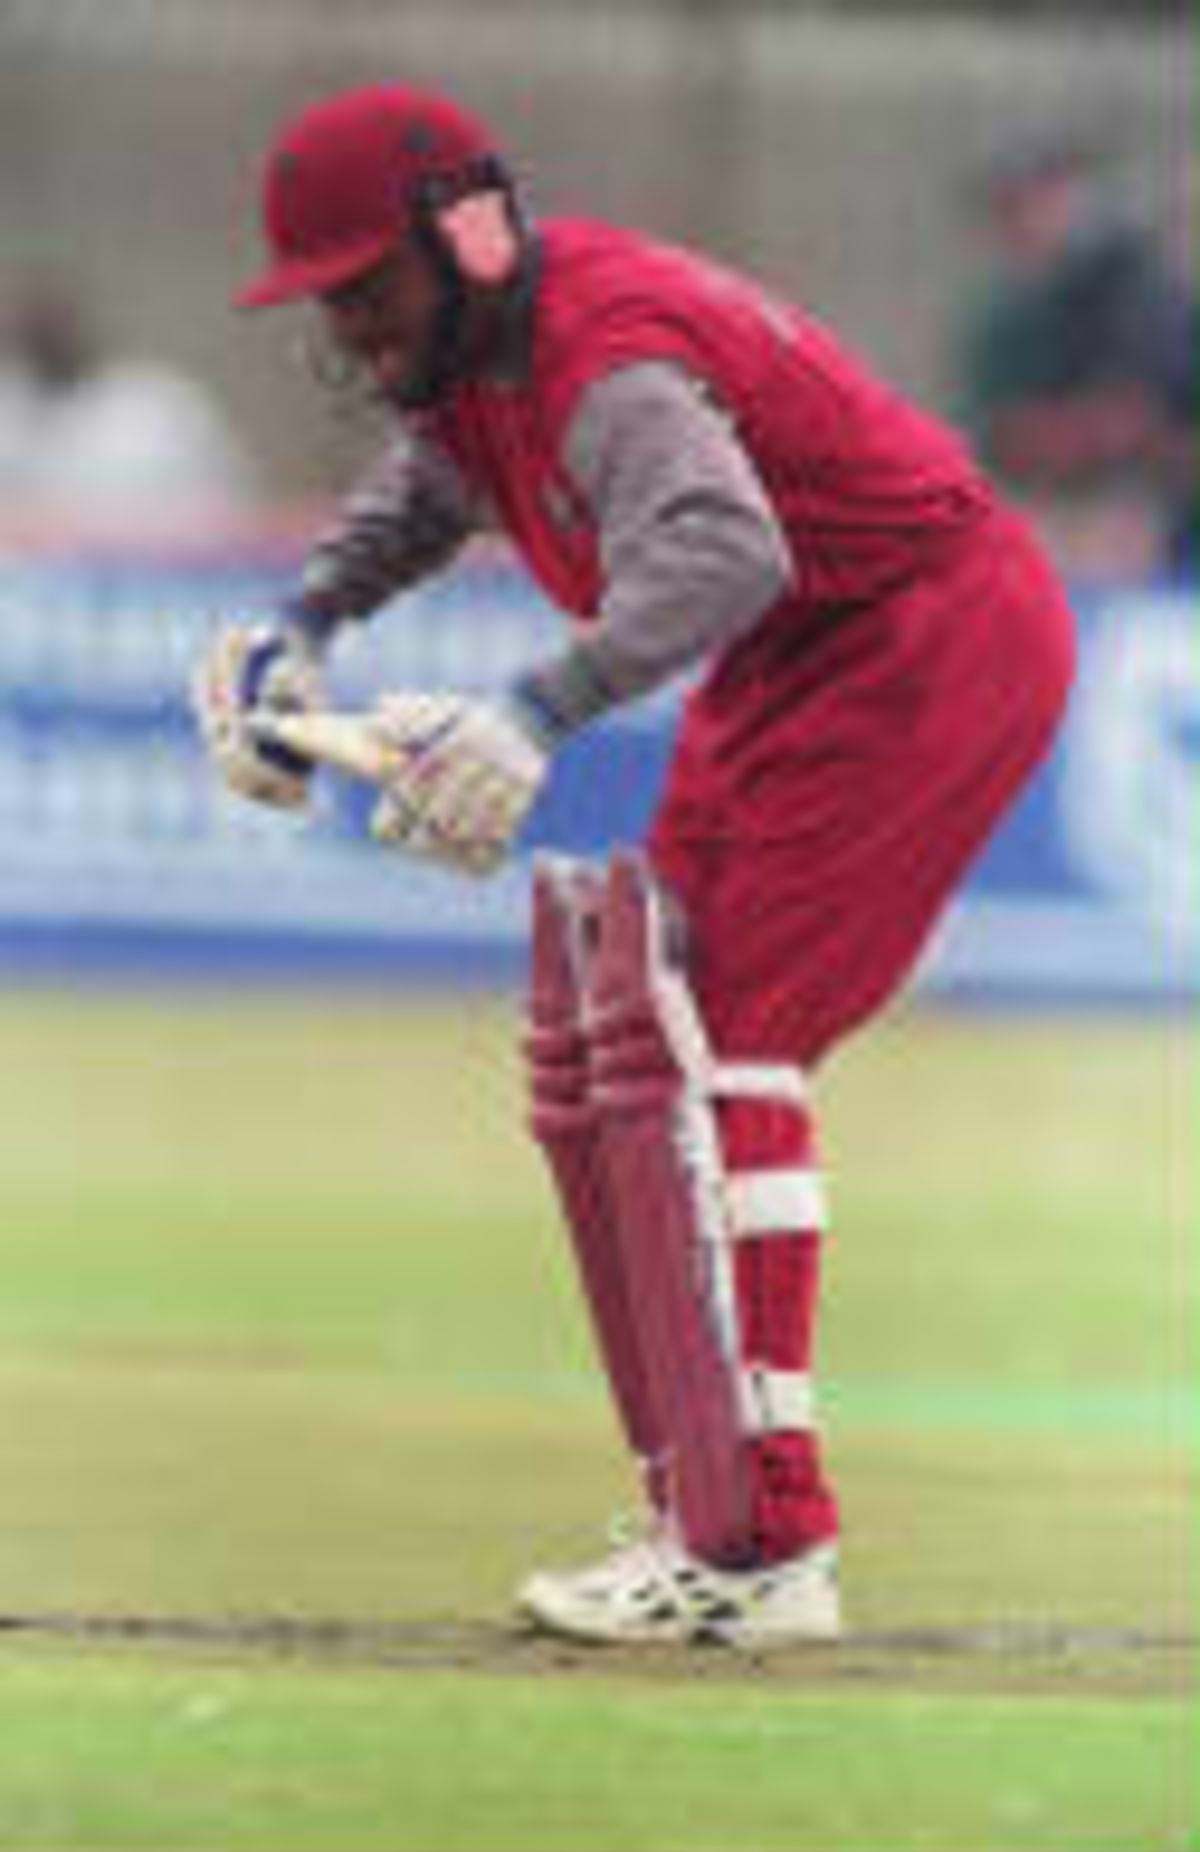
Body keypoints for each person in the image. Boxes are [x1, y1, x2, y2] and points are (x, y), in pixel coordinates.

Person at [195, 84, 1076, 1650]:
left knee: (722, 1044)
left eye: (366, 282)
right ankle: (702, 1518)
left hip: (922, 637)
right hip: (807, 659)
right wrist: (307, 622)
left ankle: (766, 1548)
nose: (352, 322)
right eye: (327, 294)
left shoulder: (608, 362)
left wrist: (539, 712)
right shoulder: (478, 348)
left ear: (469, 235)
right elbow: (435, 484)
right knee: (615, 1047)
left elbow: (734, 553)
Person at [956, 131, 1193, 582]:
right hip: (1051, 516)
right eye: (1016, 207)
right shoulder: (1006, 319)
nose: (1036, 220)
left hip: (1144, 519)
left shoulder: (1148, 296)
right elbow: (1000, 438)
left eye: (1047, 199)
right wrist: (1089, 431)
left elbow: (1159, 425)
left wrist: (1137, 432)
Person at [0, 286, 259, 536]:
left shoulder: (160, 404)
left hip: (170, 564)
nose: (47, 341)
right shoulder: (11, 417)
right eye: (33, 332)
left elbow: (232, 501)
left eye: (54, 329)